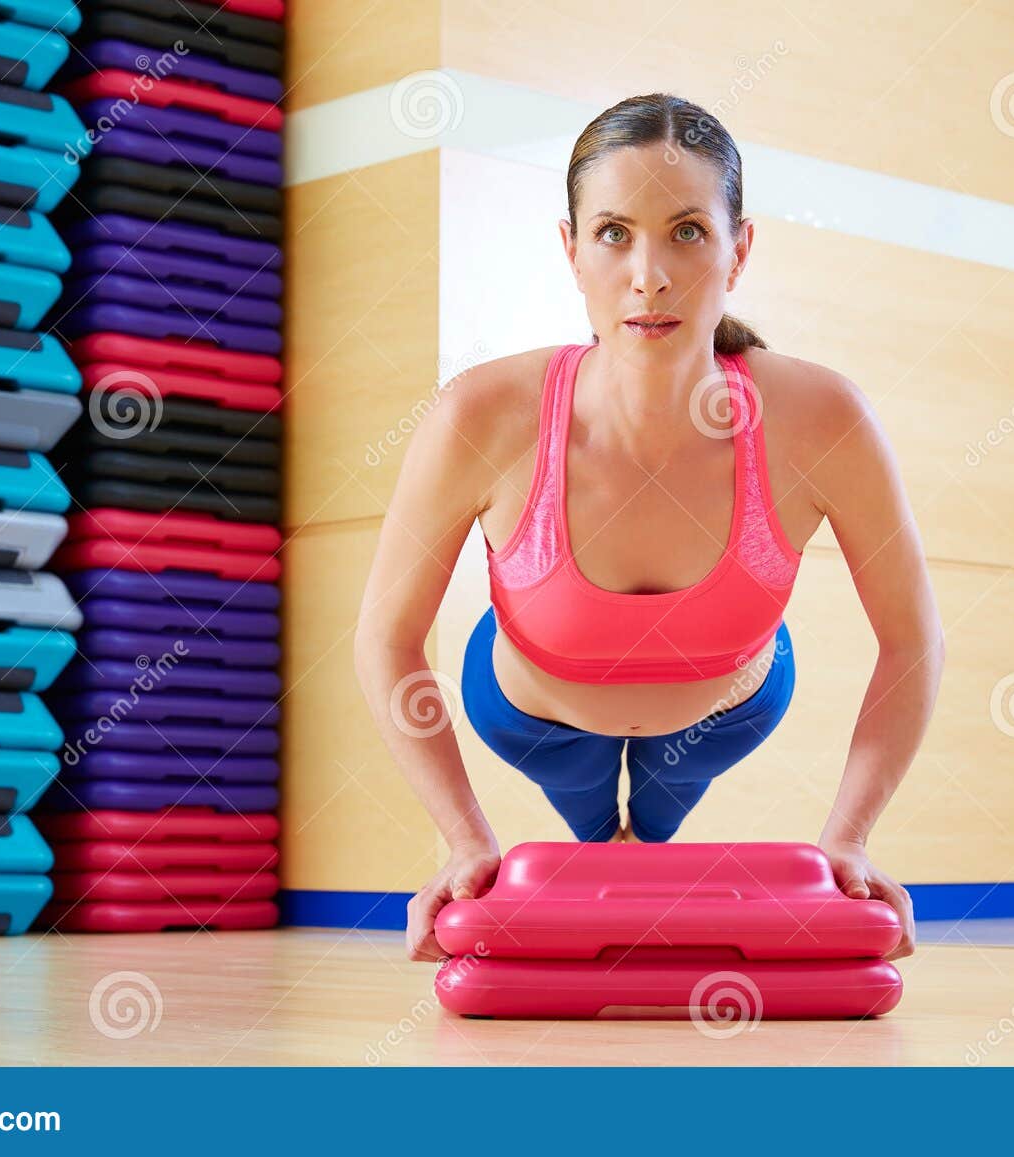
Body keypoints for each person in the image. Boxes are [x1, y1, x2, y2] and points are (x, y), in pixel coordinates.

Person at [353, 93, 944, 964]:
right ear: (571, 249)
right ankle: (607, 832)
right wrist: (465, 838)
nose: (649, 275)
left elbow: (912, 640)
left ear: (739, 250)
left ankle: (640, 830)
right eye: (615, 233)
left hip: (727, 714)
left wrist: (849, 836)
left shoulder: (824, 419)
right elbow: (385, 639)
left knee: (656, 816)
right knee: (598, 828)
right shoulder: (480, 415)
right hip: (530, 718)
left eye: (688, 232)